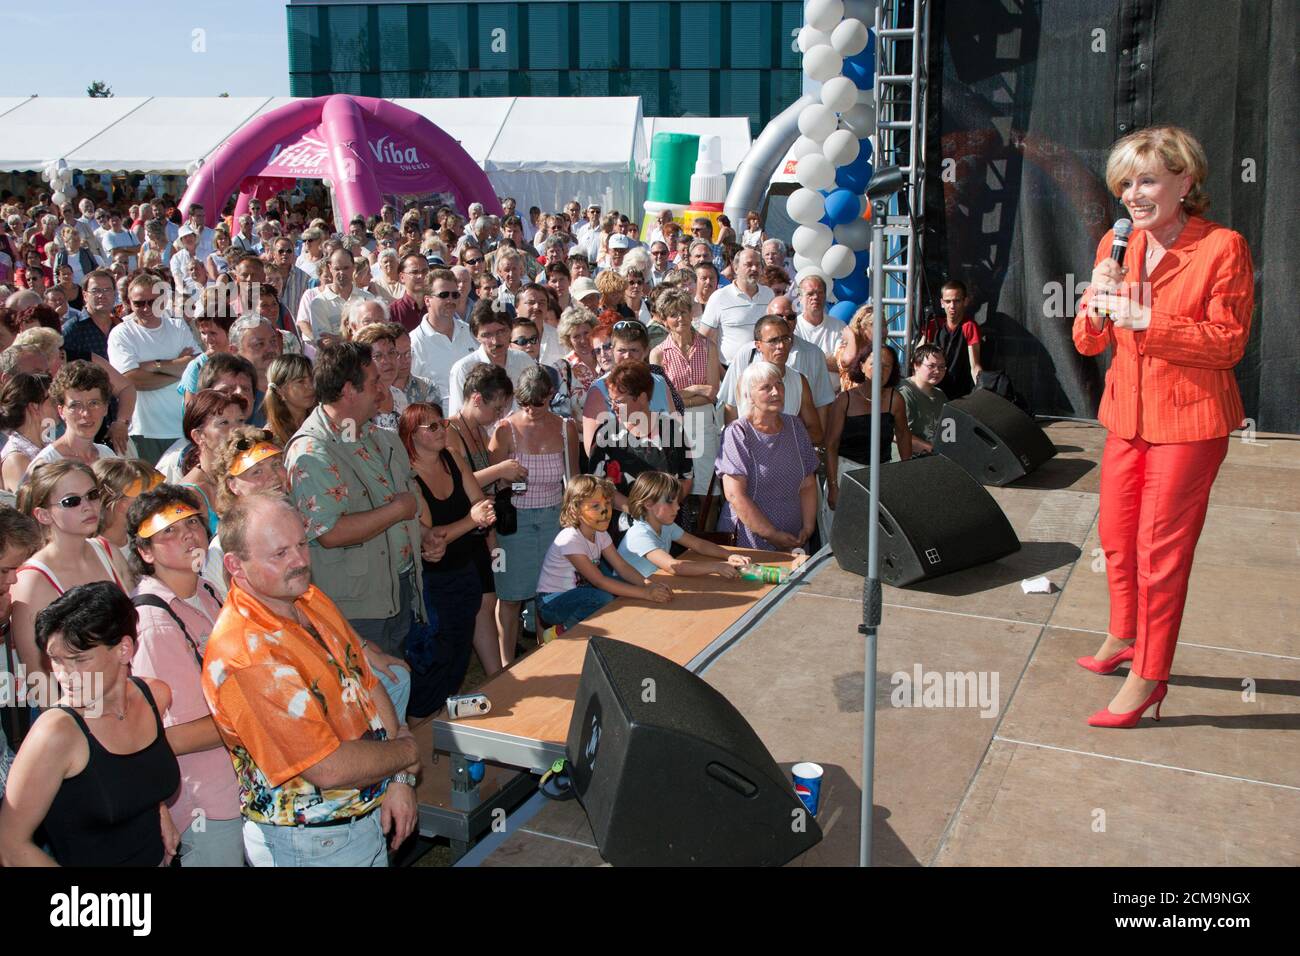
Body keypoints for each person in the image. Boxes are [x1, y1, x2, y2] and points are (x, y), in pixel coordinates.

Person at [1071, 126, 1253, 728]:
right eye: (1125, 183)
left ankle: (1150, 676)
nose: (1133, 194)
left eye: (1147, 179)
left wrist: (1148, 319)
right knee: (1118, 540)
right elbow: (1088, 340)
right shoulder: (1114, 243)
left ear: (1186, 180)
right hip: (1127, 417)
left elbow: (1228, 343)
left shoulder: (1222, 248)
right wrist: (1094, 303)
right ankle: (1124, 635)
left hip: (1190, 424)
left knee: (1160, 555)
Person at [203, 493, 420, 865]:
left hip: (356, 820)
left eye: (302, 544)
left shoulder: (307, 599)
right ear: (235, 565)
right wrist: (407, 753)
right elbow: (328, 767)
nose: (301, 561)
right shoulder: (248, 655)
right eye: (280, 554)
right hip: (311, 845)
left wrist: (399, 777)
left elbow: (365, 681)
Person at [0, 582, 181, 866]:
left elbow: (134, 776)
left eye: (79, 660)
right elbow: (10, 846)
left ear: (124, 649)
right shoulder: (56, 733)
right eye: (56, 660)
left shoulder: (155, 695)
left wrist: (159, 810)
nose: (64, 675)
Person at [285, 341, 433, 657]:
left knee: (399, 684)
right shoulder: (311, 453)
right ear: (349, 391)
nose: (382, 389)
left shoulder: (380, 437)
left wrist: (425, 536)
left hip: (397, 588)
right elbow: (330, 532)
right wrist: (397, 511)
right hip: (356, 610)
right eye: (374, 382)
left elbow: (401, 505)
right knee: (370, 695)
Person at [125, 485, 243, 866]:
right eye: (169, 532)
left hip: (239, 783)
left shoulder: (208, 591)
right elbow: (172, 737)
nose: (188, 534)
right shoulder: (153, 624)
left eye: (192, 522)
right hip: (207, 803)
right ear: (145, 552)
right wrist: (261, 715)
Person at [400, 402, 497, 710]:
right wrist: (471, 521)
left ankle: (445, 722)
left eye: (441, 423)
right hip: (433, 585)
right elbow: (432, 537)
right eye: (432, 427)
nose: (442, 430)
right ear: (411, 436)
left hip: (465, 571)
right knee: (435, 661)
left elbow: (481, 504)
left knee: (458, 657)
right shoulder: (408, 477)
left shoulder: (453, 459)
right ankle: (423, 727)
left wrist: (469, 521)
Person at [11, 461, 133, 690]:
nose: (88, 506)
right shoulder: (32, 580)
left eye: (92, 495)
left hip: (127, 695)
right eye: (72, 501)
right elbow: (38, 677)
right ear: (44, 515)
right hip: (78, 710)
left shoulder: (108, 551)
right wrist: (74, 724)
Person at [488, 366, 579, 662]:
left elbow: (574, 479)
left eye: (537, 403)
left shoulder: (566, 428)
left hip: (554, 519)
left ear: (551, 395)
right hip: (516, 523)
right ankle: (505, 662)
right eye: (525, 403)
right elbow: (492, 485)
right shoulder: (504, 430)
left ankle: (545, 655)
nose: (531, 409)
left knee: (548, 595)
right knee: (511, 595)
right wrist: (508, 478)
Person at [535, 475, 672, 640]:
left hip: (579, 593)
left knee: (621, 587)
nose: (605, 511)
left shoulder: (600, 533)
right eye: (595, 506)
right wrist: (646, 594)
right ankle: (561, 631)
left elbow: (622, 566)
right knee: (602, 597)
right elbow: (599, 581)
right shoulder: (570, 539)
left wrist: (649, 585)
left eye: (607, 503)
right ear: (575, 510)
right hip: (551, 602)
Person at [715, 362, 818, 552]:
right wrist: (771, 535)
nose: (776, 392)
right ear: (749, 395)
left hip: (795, 538)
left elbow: (808, 483)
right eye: (766, 387)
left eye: (779, 384)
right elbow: (735, 495)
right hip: (750, 543)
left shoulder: (795, 426)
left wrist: (809, 527)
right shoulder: (737, 433)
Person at [586, 361, 693, 542]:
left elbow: (686, 478)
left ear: (642, 398)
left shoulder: (672, 429)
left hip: (668, 528)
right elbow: (598, 486)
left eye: (619, 401)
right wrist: (637, 511)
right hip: (624, 532)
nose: (613, 407)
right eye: (611, 401)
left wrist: (663, 509)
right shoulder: (606, 434)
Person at [108, 272, 200, 464]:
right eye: (139, 303)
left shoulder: (178, 326)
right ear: (128, 303)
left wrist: (154, 366)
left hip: (183, 429)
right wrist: (179, 369)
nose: (146, 308)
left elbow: (197, 368)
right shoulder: (121, 334)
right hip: (145, 432)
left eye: (152, 301)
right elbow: (132, 380)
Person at [648, 286, 723, 498]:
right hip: (674, 425)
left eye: (683, 311)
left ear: (691, 313)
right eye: (673, 314)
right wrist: (695, 390)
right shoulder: (658, 354)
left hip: (704, 424)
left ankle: (705, 531)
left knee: (708, 489)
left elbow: (712, 392)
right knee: (676, 488)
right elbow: (663, 398)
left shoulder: (709, 347)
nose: (680, 318)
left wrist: (679, 395)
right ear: (664, 320)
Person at [825, 344, 913, 512]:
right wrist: (833, 486)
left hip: (882, 475)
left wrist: (905, 473)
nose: (881, 370)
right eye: (875, 364)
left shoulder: (896, 400)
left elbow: (903, 435)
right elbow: (831, 445)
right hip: (846, 473)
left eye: (887, 366)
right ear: (862, 366)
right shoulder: (844, 400)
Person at [618, 471, 751, 579]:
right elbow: (673, 566)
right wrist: (716, 567)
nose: (677, 507)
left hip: (654, 584)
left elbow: (699, 544)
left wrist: (729, 555)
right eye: (670, 502)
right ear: (648, 504)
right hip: (627, 595)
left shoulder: (666, 525)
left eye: (677, 501)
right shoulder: (639, 535)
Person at [721, 316, 824, 445]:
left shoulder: (800, 381)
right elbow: (732, 420)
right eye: (773, 341)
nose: (780, 346)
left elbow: (816, 433)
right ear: (758, 345)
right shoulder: (745, 379)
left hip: (788, 460)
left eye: (785, 339)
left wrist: (783, 443)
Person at [177, 389, 250, 535]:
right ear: (198, 436)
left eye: (240, 421)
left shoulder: (248, 476)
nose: (236, 430)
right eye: (224, 423)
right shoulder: (187, 495)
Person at [25, 361, 119, 474]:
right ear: (61, 411)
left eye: (93, 403)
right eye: (75, 405)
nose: (85, 413)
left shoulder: (108, 455)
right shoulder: (47, 464)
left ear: (105, 408)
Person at [446, 301, 535, 416]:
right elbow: (458, 420)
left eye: (501, 332)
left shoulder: (524, 362)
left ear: (511, 330)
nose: (495, 341)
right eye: (487, 335)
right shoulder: (463, 369)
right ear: (476, 336)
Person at [410, 269, 478, 403]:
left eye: (455, 295)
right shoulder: (414, 342)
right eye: (444, 295)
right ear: (427, 300)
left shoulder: (471, 333)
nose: (450, 300)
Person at [91, 457, 162, 579]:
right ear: (116, 502)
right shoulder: (92, 553)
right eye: (146, 495)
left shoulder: (146, 538)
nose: (156, 501)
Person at [297, 248, 376, 349]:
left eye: (346, 268)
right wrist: (358, 337)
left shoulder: (368, 299)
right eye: (337, 269)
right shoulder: (318, 303)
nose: (342, 273)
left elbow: (374, 337)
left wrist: (340, 339)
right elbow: (325, 343)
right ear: (330, 268)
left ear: (353, 267)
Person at [923, 280, 983, 399]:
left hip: (960, 394)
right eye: (948, 301)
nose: (952, 306)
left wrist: (982, 387)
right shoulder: (932, 325)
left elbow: (975, 366)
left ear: (965, 301)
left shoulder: (969, 326)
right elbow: (919, 357)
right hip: (933, 392)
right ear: (941, 303)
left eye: (957, 301)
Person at [0, 372, 55, 491]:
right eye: (52, 400)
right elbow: (29, 506)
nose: (59, 404)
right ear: (34, 407)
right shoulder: (16, 459)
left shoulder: (49, 444)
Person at [897, 344, 949, 453]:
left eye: (941, 367)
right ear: (916, 365)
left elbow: (948, 433)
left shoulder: (941, 395)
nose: (937, 371)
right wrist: (933, 450)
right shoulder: (903, 393)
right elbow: (897, 434)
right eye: (931, 366)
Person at [794, 275, 847, 371]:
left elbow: (842, 364)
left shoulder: (839, 326)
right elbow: (794, 363)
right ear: (800, 297)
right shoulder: (793, 326)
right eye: (810, 294)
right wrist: (827, 360)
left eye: (820, 293)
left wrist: (807, 358)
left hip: (832, 386)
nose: (815, 297)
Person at [263, 353, 315, 446]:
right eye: (301, 381)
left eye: (312, 379)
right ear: (280, 391)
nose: (311, 386)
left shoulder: (321, 422)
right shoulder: (270, 437)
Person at [557, 305, 600, 419]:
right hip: (581, 435)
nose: (583, 340)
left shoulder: (606, 359)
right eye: (576, 336)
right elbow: (561, 412)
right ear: (568, 340)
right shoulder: (562, 368)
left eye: (586, 333)